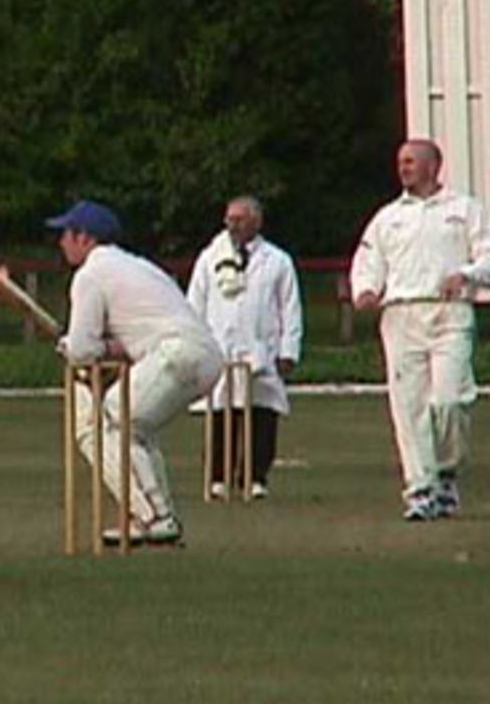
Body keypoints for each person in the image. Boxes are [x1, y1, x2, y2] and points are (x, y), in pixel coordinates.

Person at [48, 199, 223, 546]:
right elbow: (123, 338)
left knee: (114, 420)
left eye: (66, 234)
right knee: (137, 430)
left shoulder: (91, 274)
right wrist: (99, 347)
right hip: (206, 355)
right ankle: (158, 516)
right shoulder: (138, 266)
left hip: (176, 352)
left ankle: (154, 516)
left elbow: (83, 350)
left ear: (85, 238)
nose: (61, 242)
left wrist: (72, 347)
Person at [349, 139, 490, 521]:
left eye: (411, 162)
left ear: (434, 166)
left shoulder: (464, 209)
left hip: (450, 313)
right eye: (400, 161)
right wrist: (366, 289)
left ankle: (446, 473)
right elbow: (368, 259)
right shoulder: (389, 217)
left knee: (449, 399)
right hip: (401, 316)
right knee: (409, 406)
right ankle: (420, 488)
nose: (403, 168)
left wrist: (466, 274)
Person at [186, 195, 303, 499]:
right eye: (229, 219)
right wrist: (193, 344)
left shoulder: (277, 260)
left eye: (239, 219)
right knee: (222, 413)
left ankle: (255, 478)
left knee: (262, 414)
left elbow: (290, 308)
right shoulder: (210, 258)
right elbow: (195, 304)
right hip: (220, 347)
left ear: (256, 221)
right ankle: (218, 477)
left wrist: (289, 351)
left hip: (261, 348)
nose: (232, 226)